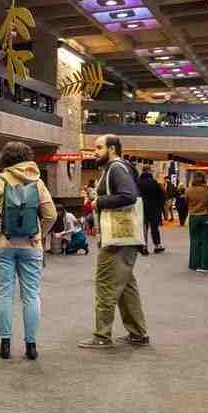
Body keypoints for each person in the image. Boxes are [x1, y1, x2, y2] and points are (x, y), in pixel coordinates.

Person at [0, 141, 57, 360]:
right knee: (31, 295)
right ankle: (31, 346)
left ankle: (5, 344)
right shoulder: (38, 182)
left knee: (4, 294)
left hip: (2, 245)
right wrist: (39, 233)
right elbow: (51, 215)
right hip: (31, 245)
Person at [78, 135, 150, 349]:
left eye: (99, 148)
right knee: (126, 286)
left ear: (112, 149)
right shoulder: (119, 167)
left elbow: (128, 196)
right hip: (124, 240)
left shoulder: (116, 168)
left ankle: (102, 335)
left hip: (117, 240)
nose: (95, 152)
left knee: (106, 285)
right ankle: (138, 333)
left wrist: (99, 201)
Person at [185, 172, 208, 272]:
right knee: (207, 241)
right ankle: (205, 266)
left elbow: (186, 202)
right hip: (205, 217)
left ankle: (194, 264)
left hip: (193, 217)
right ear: (204, 179)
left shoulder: (188, 190)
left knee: (194, 241)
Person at [137, 170, 165, 255]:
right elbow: (162, 196)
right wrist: (159, 207)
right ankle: (157, 246)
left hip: (141, 208)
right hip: (154, 209)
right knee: (154, 228)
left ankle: (144, 247)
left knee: (143, 228)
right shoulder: (155, 183)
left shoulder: (137, 183)